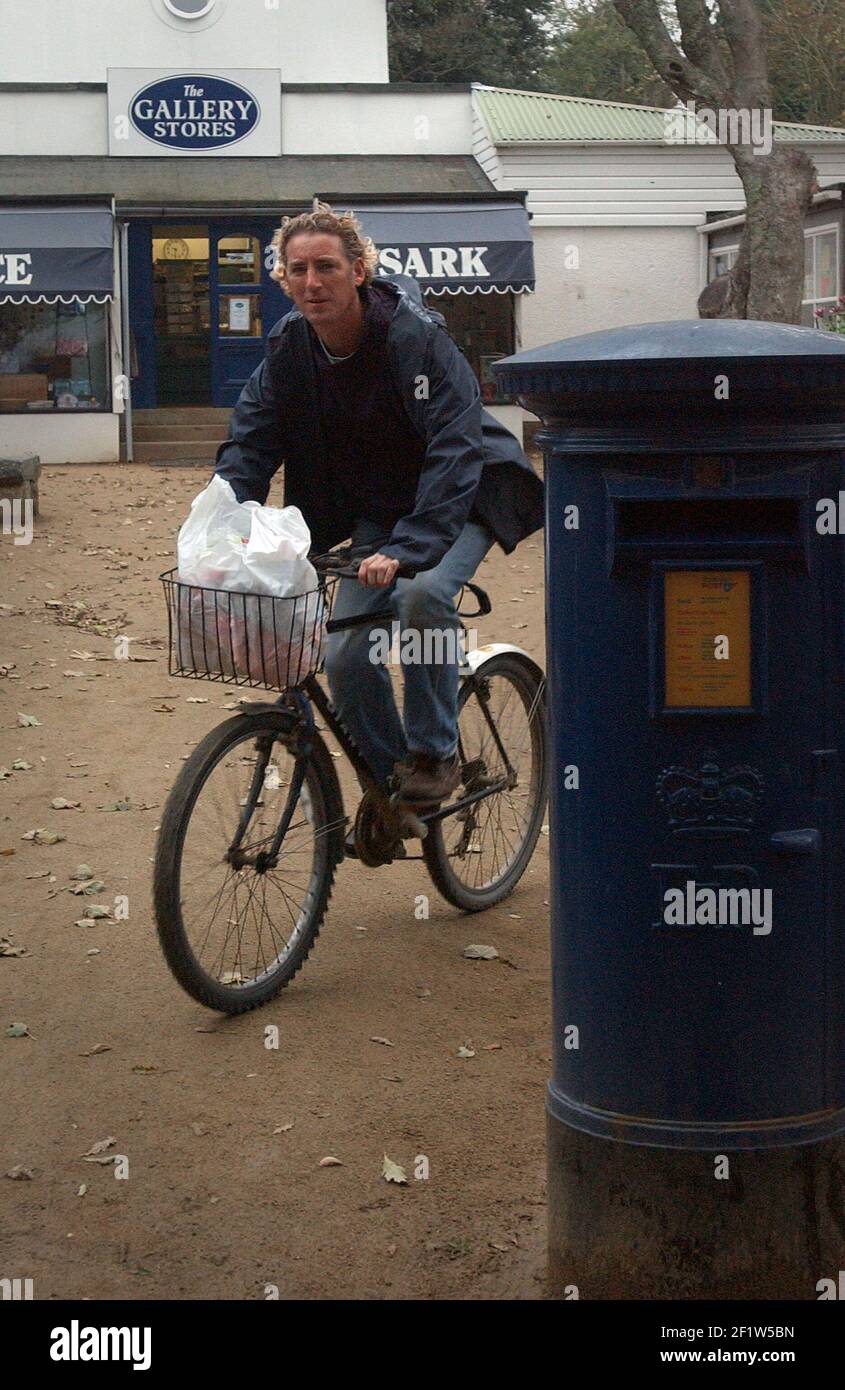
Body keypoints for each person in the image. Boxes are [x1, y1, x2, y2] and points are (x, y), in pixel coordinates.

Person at [214, 201, 543, 809]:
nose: (313, 282)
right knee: (344, 654)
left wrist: (409, 549)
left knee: (421, 594)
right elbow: (251, 444)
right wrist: (221, 529)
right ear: (283, 278)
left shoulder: (416, 340)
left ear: (359, 271)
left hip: (465, 493)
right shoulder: (288, 350)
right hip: (383, 509)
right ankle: (398, 787)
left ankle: (434, 753)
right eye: (298, 269)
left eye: (328, 267)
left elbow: (453, 448)